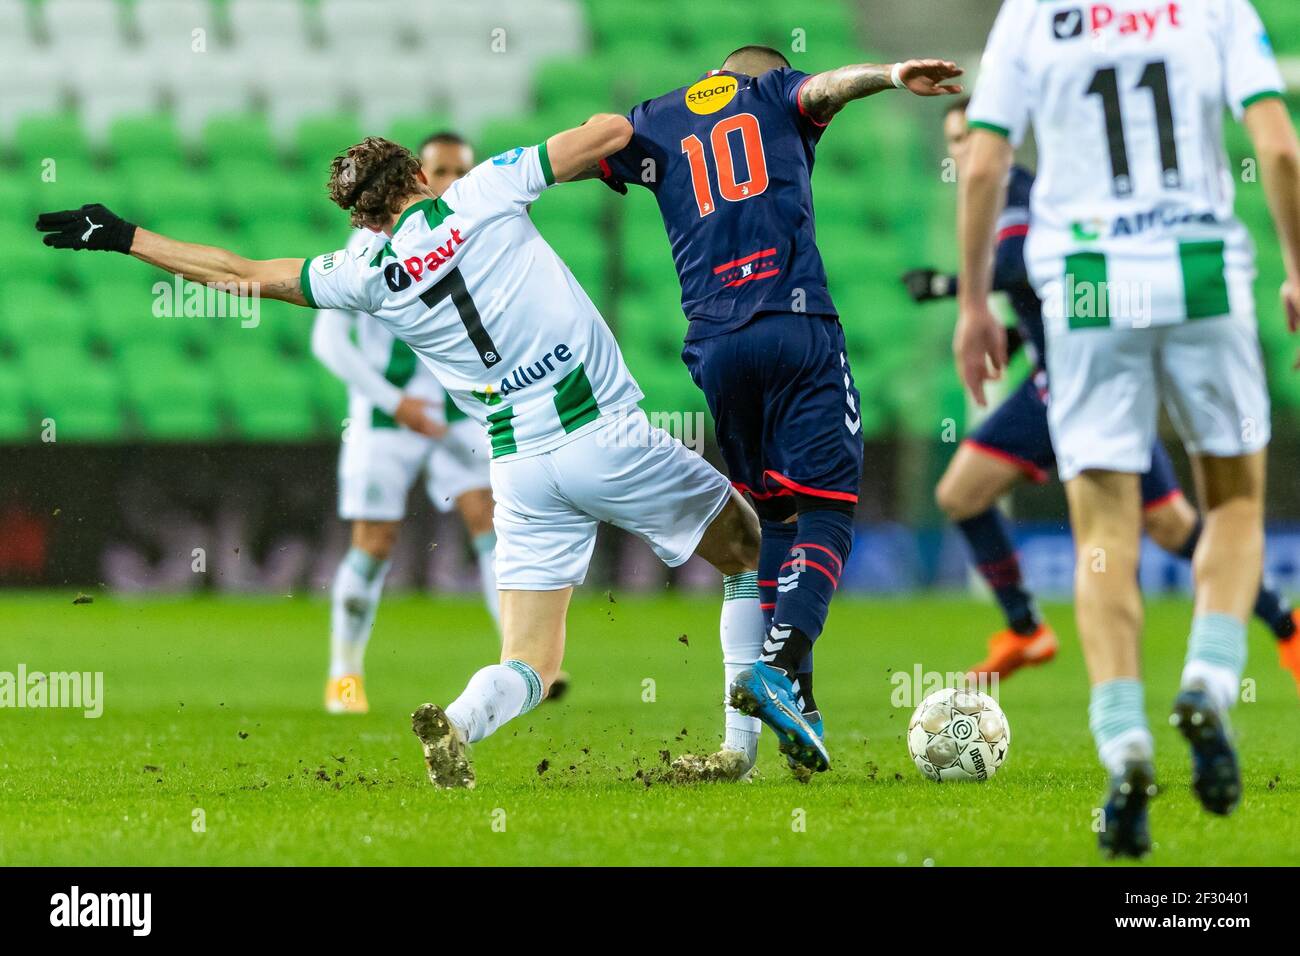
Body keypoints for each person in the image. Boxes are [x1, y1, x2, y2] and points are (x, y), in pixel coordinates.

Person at [35, 114, 764, 789]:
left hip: (519, 467)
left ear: (362, 220)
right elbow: (608, 131)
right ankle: (740, 749)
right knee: (751, 555)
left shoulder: (365, 277)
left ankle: (460, 722)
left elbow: (238, 273)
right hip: (602, 431)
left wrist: (126, 236)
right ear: (419, 175)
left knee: (531, 661)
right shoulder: (487, 189)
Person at [954, 0, 1300, 857]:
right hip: (1202, 272)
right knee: (1236, 505)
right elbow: (1281, 148)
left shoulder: (1032, 15)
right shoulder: (1219, 9)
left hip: (1085, 286)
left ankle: (1125, 741)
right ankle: (1210, 685)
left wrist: (970, 305)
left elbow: (987, 160)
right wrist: (1298, 266)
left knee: (1104, 529)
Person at [601, 44, 963, 774]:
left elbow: (588, 152)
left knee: (775, 519)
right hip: (793, 325)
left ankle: (801, 698)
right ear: (762, 75)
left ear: (710, 78)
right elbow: (829, 87)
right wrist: (892, 76)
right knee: (828, 509)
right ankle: (780, 664)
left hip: (715, 347)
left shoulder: (658, 119)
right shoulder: (774, 96)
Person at [906, 99, 1300, 687]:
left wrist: (949, 286)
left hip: (1084, 386)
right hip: (1057, 385)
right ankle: (1026, 628)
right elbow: (1045, 287)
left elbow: (1017, 263)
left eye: (971, 139)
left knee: (1163, 525)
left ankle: (1281, 627)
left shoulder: (1017, 194)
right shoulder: (1007, 203)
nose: (962, 152)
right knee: (967, 495)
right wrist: (1015, 335)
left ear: (1006, 143)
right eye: (955, 141)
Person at [312, 130, 504, 714]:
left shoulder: (476, 231)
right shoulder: (369, 244)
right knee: (375, 541)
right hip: (386, 420)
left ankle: (519, 658)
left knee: (491, 522)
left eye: (462, 172)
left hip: (457, 418)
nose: (454, 182)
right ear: (418, 176)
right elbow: (329, 343)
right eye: (443, 170)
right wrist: (393, 402)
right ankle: (344, 673)